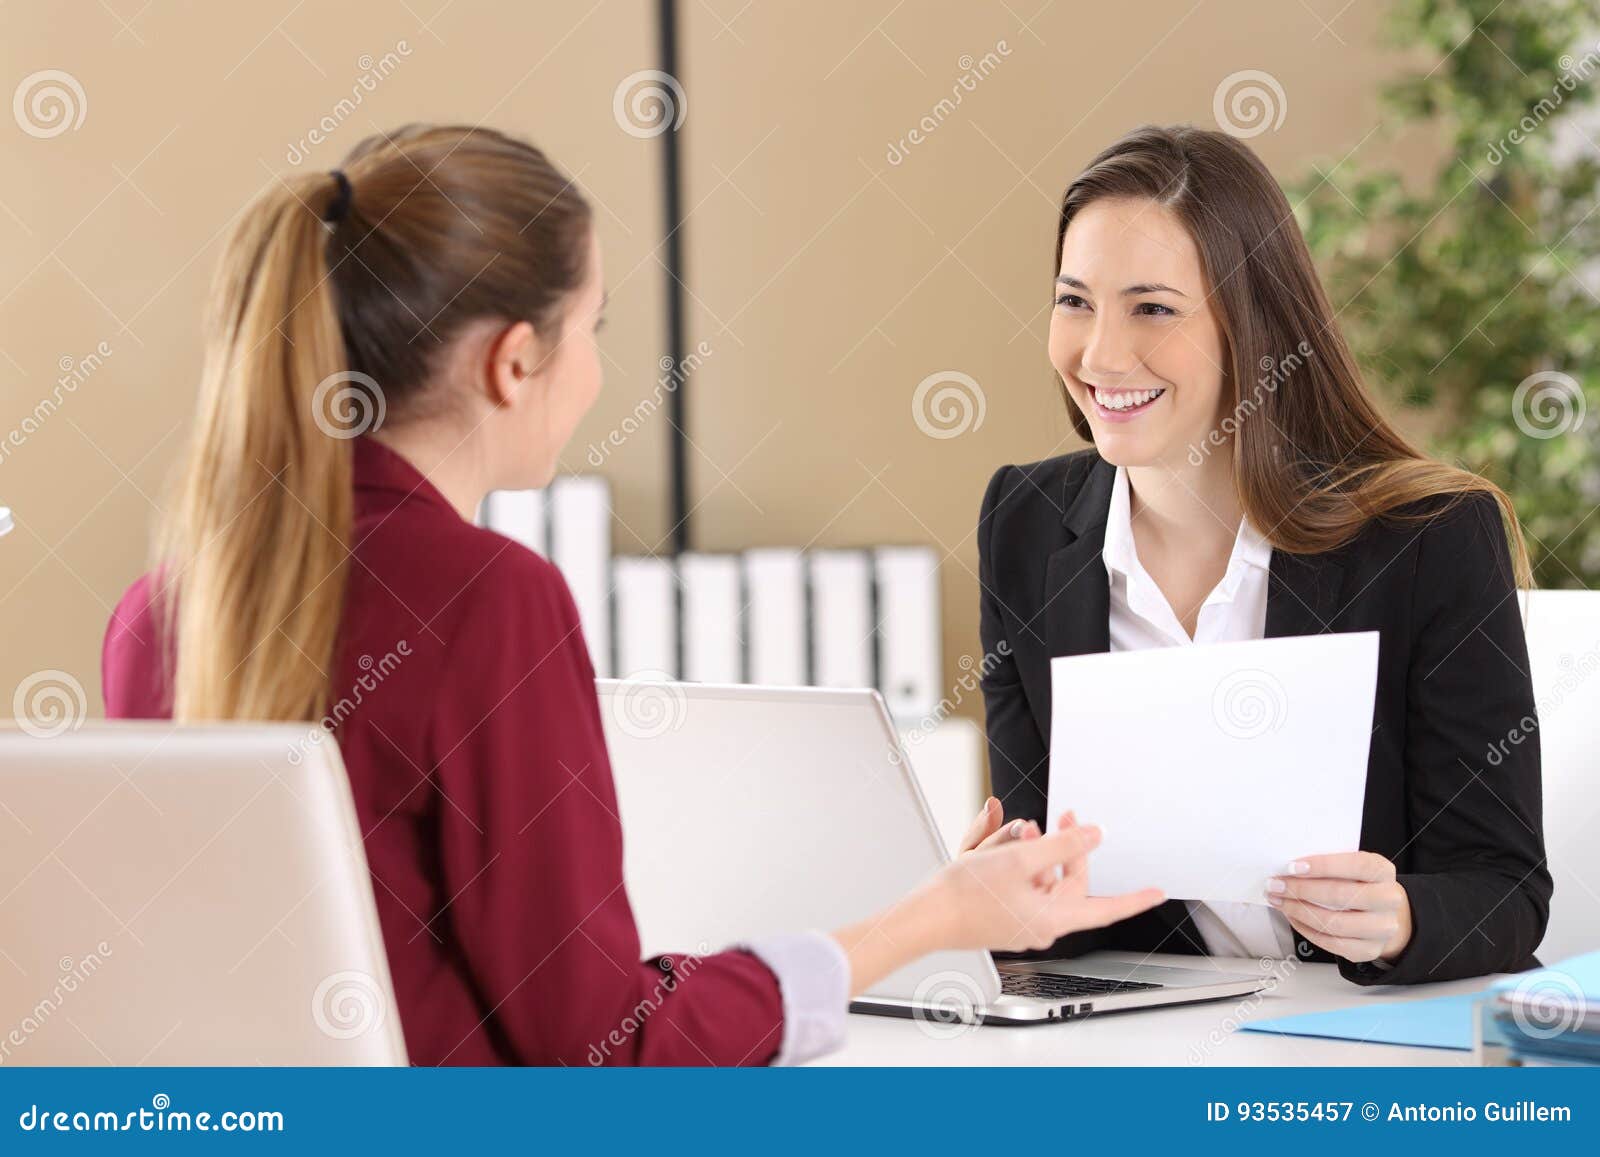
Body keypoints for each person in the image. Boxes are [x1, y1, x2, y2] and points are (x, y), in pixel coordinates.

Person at [101, 124, 1163, 1066]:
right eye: (594, 327)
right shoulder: (486, 601)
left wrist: (905, 915)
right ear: (515, 362)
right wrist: (928, 922)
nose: (598, 372)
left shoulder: (156, 613)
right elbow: (604, 1043)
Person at [977, 124, 1550, 985]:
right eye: (1074, 301)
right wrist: (1006, 901)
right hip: (1147, 1045)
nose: (1099, 354)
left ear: (1253, 325)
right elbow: (1067, 912)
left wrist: (1400, 920)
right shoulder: (1024, 523)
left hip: (1366, 1047)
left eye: (1153, 307)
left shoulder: (1431, 537)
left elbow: (1507, 890)